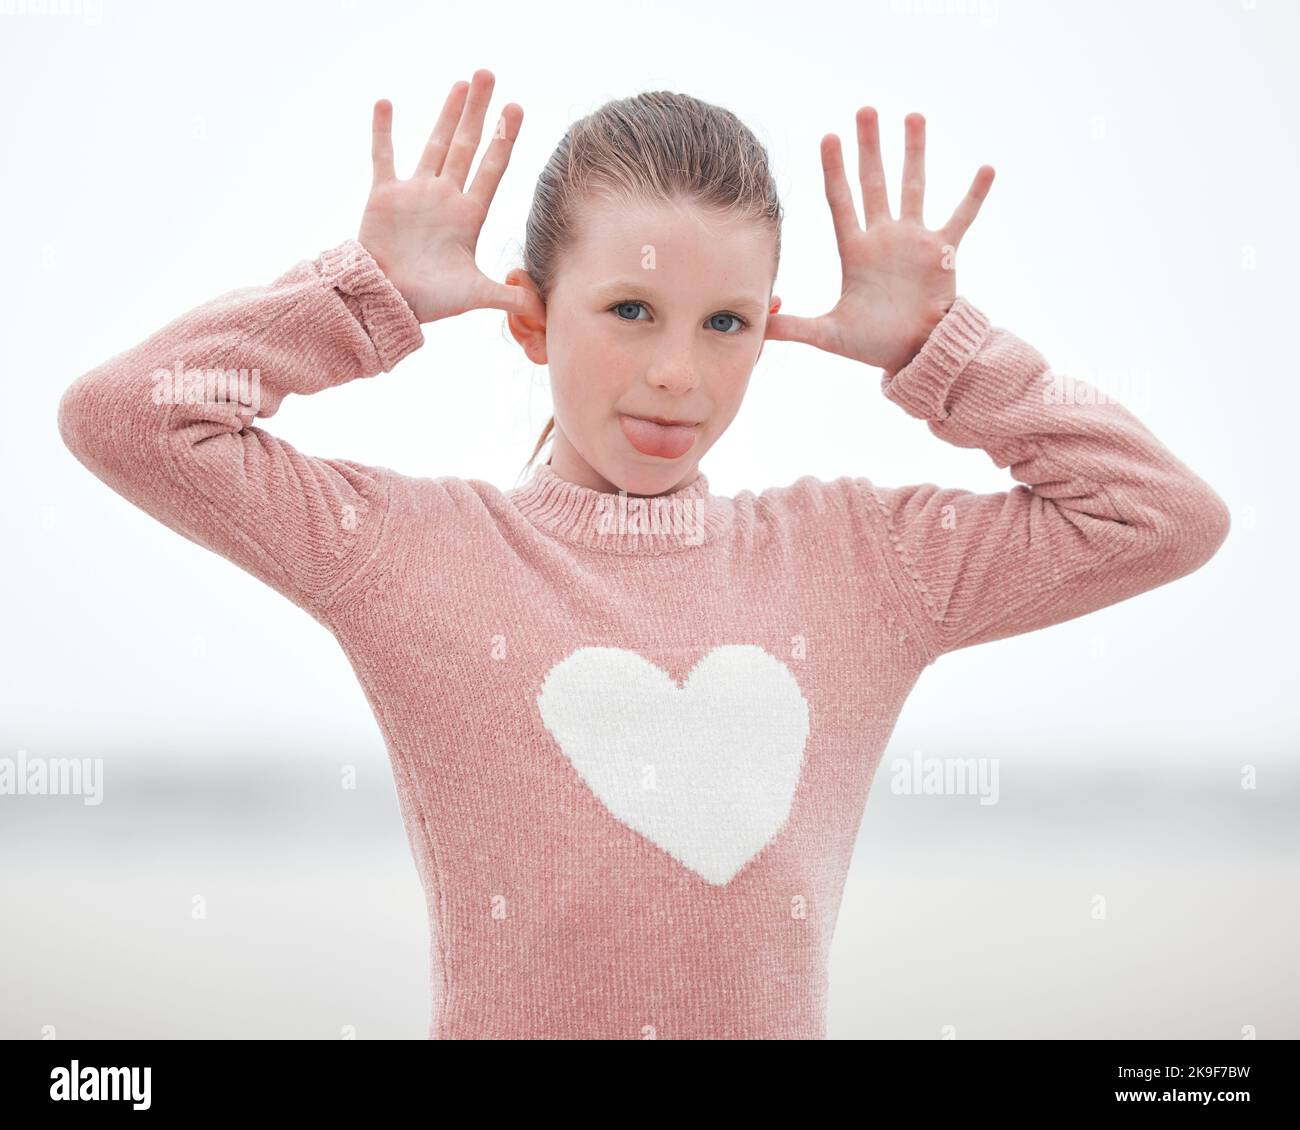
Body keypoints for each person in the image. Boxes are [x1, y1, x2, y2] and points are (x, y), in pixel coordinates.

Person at [56, 68, 1230, 1039]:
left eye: (725, 323)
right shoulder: (412, 554)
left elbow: (1160, 516)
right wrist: (359, 301)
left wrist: (942, 355)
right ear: (531, 317)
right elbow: (128, 418)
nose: (678, 372)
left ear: (768, 333)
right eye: (629, 310)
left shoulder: (861, 561)